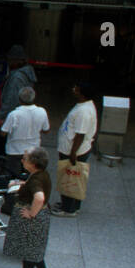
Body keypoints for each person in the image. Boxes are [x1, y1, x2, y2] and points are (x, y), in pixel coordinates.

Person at [4, 147, 54, 268]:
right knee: (34, 247)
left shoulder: (36, 180)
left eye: (25, 158)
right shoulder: (41, 174)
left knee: (29, 247)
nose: (22, 160)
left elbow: (39, 197)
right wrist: (23, 184)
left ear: (33, 163)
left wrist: (31, 213)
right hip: (41, 215)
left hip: (33, 216)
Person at [51, 82, 97, 218]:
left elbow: (80, 134)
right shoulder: (85, 105)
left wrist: (73, 153)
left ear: (82, 94)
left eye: (76, 89)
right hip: (73, 150)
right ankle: (72, 206)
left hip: (73, 152)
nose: (73, 89)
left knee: (69, 179)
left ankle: (68, 209)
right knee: (75, 178)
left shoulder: (84, 112)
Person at [0, 44, 38, 158]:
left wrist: (2, 115)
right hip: (14, 113)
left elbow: (11, 97)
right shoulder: (25, 74)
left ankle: (3, 163)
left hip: (8, 114)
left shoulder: (17, 76)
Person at [0, 86, 50, 175]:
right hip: (33, 151)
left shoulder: (14, 114)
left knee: (14, 178)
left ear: (19, 99)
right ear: (34, 97)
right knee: (30, 178)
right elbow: (46, 130)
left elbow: (3, 133)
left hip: (14, 151)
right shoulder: (42, 111)